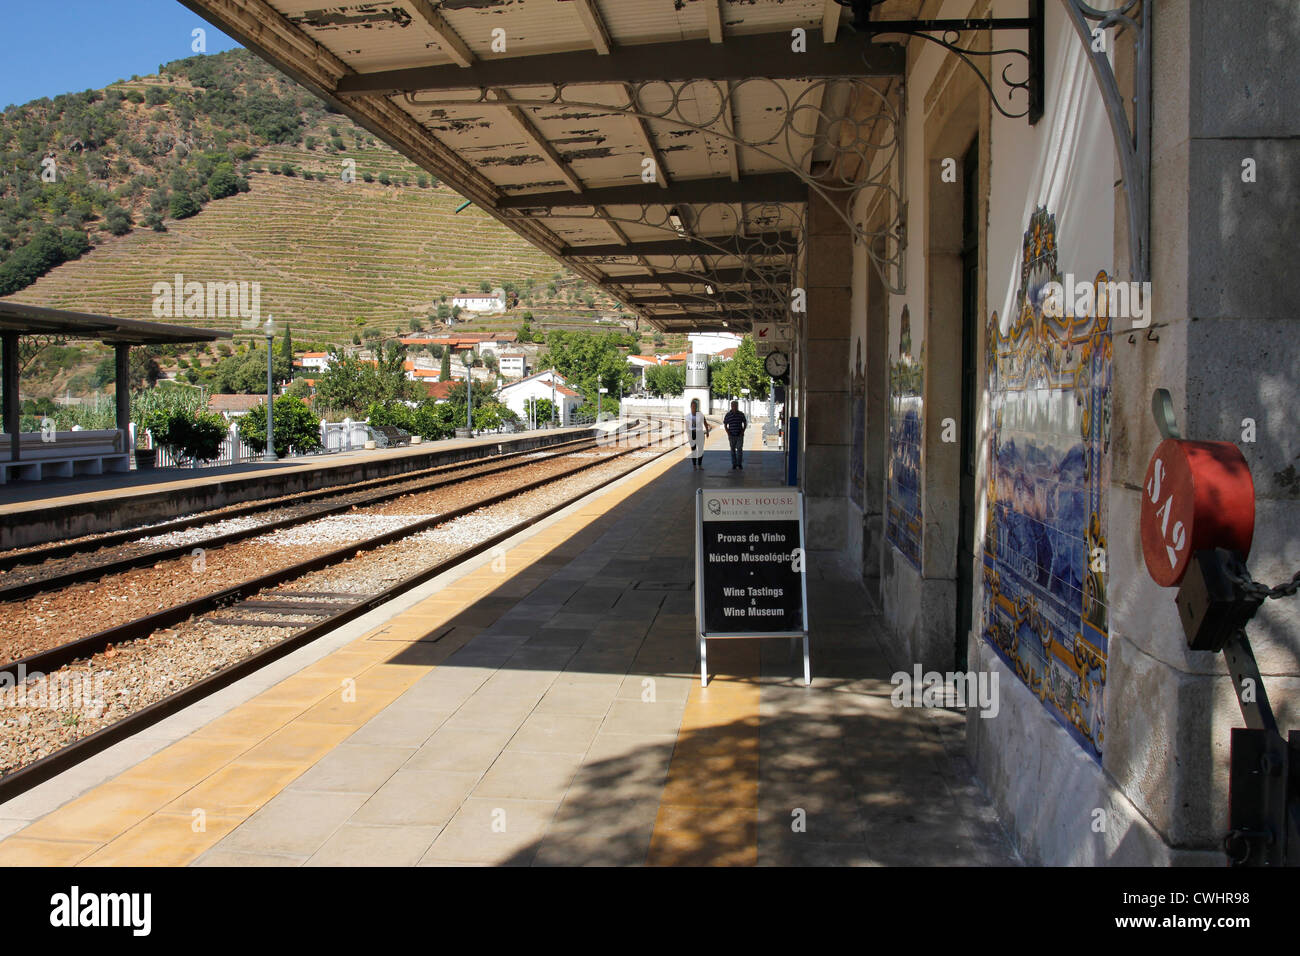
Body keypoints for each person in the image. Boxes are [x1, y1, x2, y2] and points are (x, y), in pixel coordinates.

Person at [685, 398, 710, 470]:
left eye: (695, 406)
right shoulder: (687, 416)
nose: (694, 408)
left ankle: (700, 464)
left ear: (696, 407)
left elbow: (705, 423)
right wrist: (689, 435)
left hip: (700, 433)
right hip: (692, 433)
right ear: (690, 407)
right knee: (693, 450)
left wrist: (707, 431)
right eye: (692, 406)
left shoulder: (700, 415)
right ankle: (694, 465)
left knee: (701, 450)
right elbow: (687, 427)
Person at [723, 400, 747, 469]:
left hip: (739, 434)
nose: (734, 407)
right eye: (733, 406)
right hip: (731, 435)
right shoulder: (728, 415)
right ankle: (734, 464)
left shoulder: (741, 414)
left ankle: (739, 464)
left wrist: (743, 431)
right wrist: (728, 432)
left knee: (739, 449)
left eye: (736, 406)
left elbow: (745, 423)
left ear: (737, 406)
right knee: (732, 450)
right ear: (731, 406)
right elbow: (725, 424)